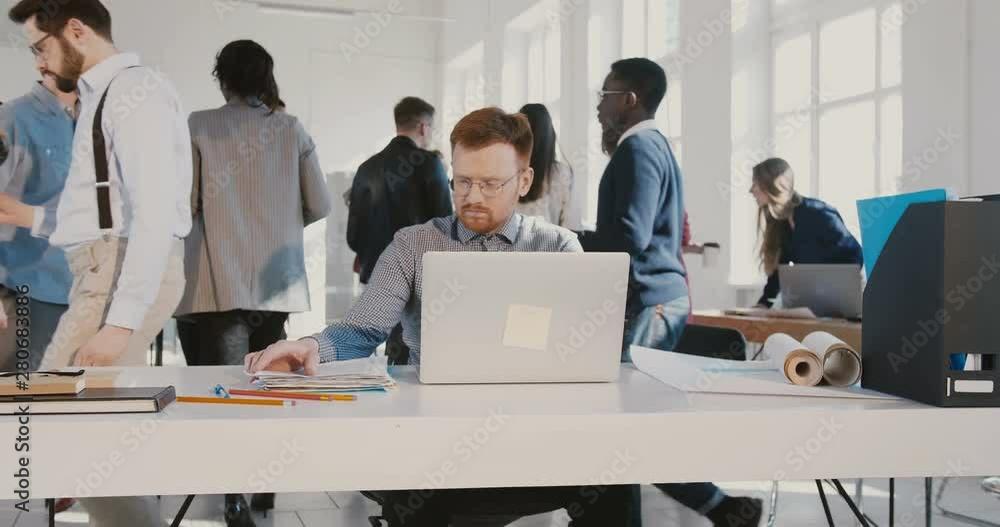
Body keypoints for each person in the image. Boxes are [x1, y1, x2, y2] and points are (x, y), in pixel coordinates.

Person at [246, 107, 630, 527]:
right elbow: (362, 328)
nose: (473, 196)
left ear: (524, 180)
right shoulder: (415, 244)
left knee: (618, 479)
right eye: (463, 181)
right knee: (413, 486)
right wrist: (309, 347)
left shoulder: (558, 247)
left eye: (489, 183)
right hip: (435, 441)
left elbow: (577, 352)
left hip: (532, 434)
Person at [2, 1, 191, 525]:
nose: (39, 64)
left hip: (115, 273)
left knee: (50, 416)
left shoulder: (133, 91)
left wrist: (120, 322)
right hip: (103, 267)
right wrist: (33, 219)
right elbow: (103, 212)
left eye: (41, 47)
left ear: (76, 31)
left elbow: (151, 213)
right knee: (75, 427)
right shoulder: (104, 95)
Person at [582, 58, 762, 527]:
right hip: (658, 299)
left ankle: (723, 508)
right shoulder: (652, 147)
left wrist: (569, 239)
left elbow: (630, 235)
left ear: (629, 99)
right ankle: (723, 508)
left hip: (651, 301)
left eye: (605, 95)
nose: (598, 105)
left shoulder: (638, 151)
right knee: (626, 422)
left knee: (622, 423)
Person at [174, 39, 331, 527]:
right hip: (275, 284)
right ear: (267, 77)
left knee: (227, 393)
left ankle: (234, 496)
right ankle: (264, 485)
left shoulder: (199, 124)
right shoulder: (290, 129)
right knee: (267, 385)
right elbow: (321, 204)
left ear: (223, 77)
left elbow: (188, 203)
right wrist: (280, 222)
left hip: (217, 284)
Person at [346, 96, 452, 365]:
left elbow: (353, 233)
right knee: (413, 353)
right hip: (423, 276)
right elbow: (445, 224)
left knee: (379, 347)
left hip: (377, 273)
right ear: (424, 127)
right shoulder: (430, 164)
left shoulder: (366, 168)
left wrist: (369, 255)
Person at [0, 66, 77, 372]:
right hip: (28, 291)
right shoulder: (14, 116)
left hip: (88, 293)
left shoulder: (99, 117)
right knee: (22, 408)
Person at [750, 157, 863, 308]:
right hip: (814, 304)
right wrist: (763, 304)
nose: (751, 190)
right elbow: (778, 268)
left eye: (756, 184)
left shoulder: (818, 213)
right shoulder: (780, 222)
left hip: (839, 303)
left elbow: (855, 255)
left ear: (773, 186)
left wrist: (836, 292)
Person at [516, 103, 578, 228]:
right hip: (551, 244)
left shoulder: (506, 172)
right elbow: (572, 224)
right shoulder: (562, 173)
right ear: (550, 135)